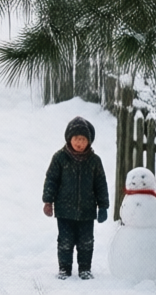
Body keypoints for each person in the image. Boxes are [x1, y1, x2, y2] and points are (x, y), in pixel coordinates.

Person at [41, 115, 110, 280]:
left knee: (86, 242)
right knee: (65, 241)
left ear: (89, 141)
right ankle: (64, 269)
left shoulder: (94, 161)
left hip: (87, 211)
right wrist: (48, 201)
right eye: (76, 139)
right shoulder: (60, 158)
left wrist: (103, 206)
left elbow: (101, 184)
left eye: (83, 139)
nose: (80, 143)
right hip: (64, 211)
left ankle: (85, 269)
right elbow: (51, 179)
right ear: (69, 139)